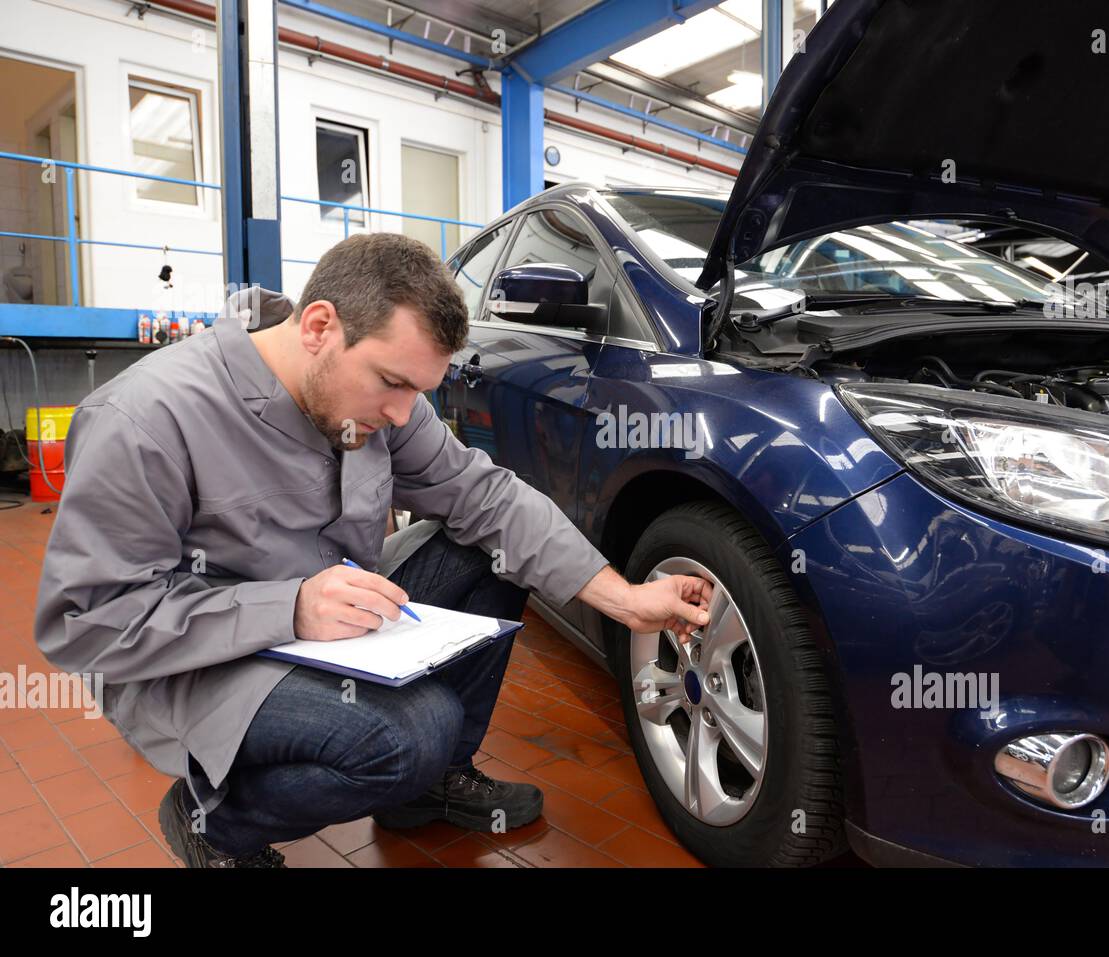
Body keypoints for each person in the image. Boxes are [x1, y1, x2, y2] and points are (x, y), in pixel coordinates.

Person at [34, 232, 712, 867]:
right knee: (413, 731)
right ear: (320, 326)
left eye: (419, 389)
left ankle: (426, 788)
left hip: (328, 614)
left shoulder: (377, 398)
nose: (402, 413)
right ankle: (217, 821)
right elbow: (89, 620)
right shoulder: (148, 417)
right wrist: (289, 607)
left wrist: (625, 598)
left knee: (493, 545)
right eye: (393, 382)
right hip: (203, 658)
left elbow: (488, 496)